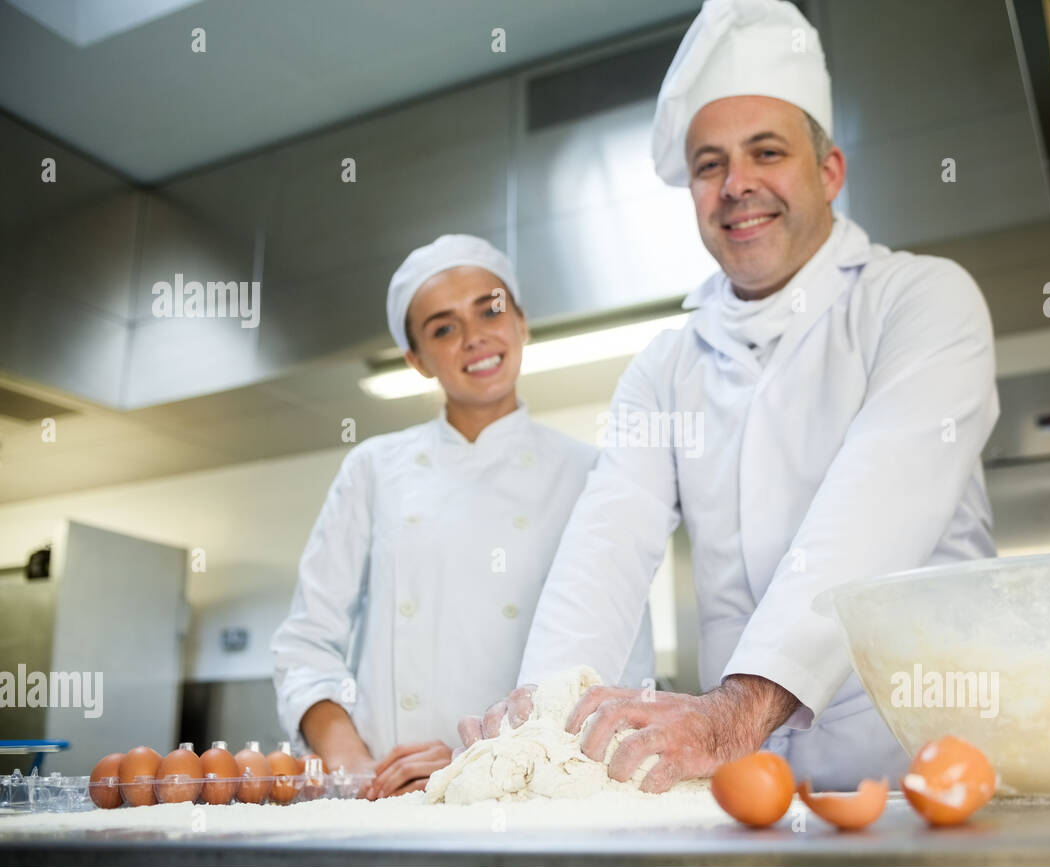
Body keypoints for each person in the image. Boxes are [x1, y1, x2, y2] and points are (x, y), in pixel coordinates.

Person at [460, 0, 999, 793]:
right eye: (709, 164)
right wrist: (533, 729)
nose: (736, 184)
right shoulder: (666, 366)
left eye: (766, 151)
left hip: (931, 777)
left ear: (829, 171)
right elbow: (605, 549)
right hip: (750, 793)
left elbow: (873, 515)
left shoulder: (920, 301)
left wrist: (733, 711)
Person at [270, 235, 654, 798]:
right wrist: (355, 767)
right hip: (389, 795)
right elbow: (304, 644)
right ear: (416, 360)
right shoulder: (373, 469)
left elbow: (615, 674)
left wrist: (473, 764)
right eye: (443, 328)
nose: (474, 336)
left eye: (491, 309)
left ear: (521, 322)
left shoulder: (592, 475)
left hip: (534, 796)